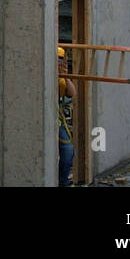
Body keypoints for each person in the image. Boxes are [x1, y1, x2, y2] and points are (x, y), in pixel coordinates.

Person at [58, 46, 77, 186]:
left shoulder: (61, 78)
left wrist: (65, 75)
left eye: (61, 60)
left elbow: (71, 93)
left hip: (58, 122)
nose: (58, 63)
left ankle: (63, 182)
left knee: (68, 152)